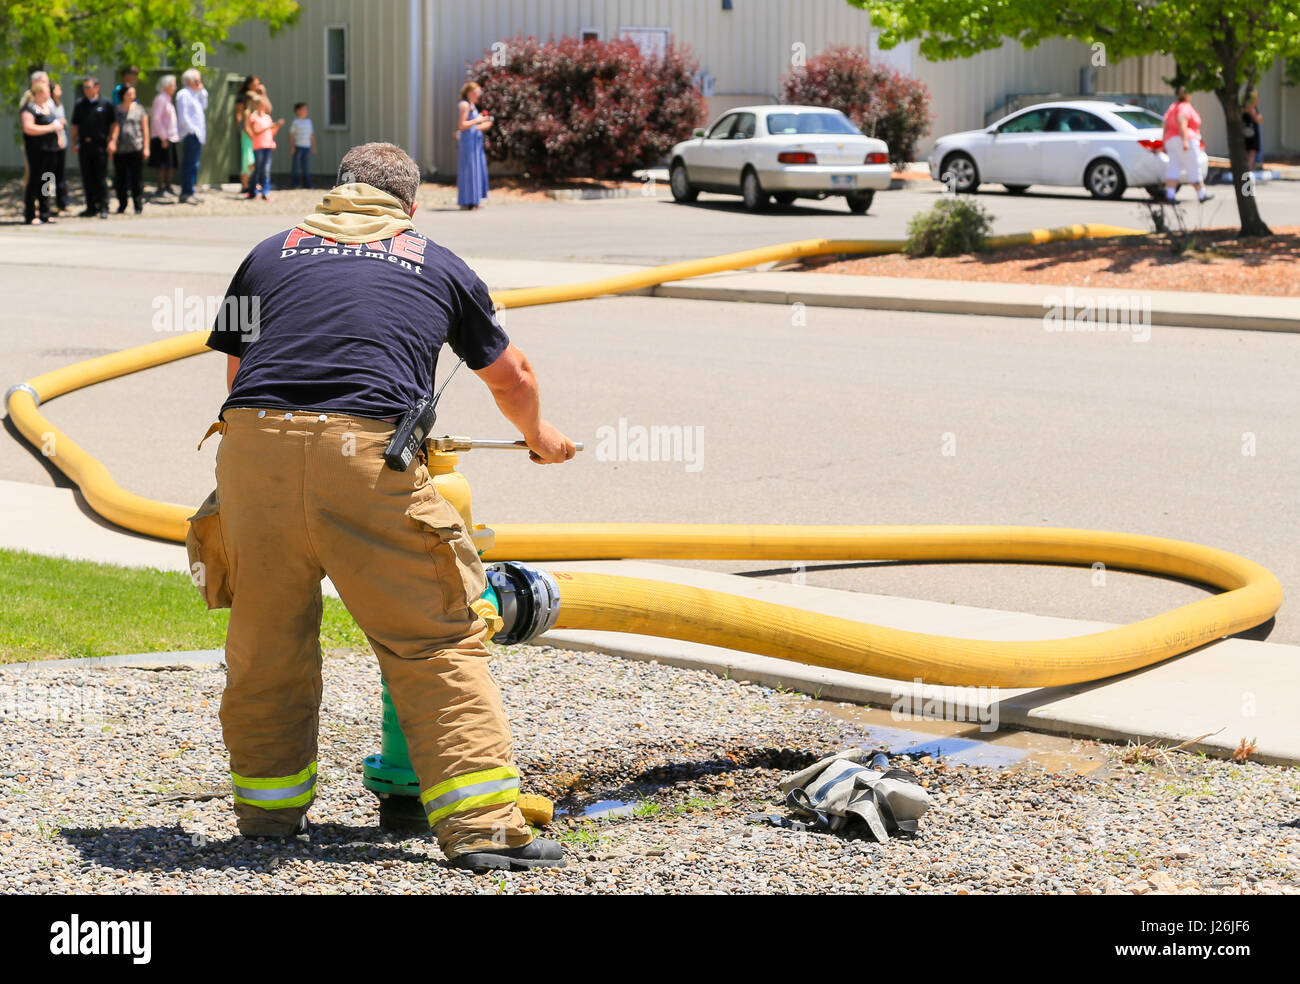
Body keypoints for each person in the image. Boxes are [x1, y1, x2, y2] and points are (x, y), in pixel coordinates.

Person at [189, 141, 575, 870]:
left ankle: (267, 818)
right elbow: (511, 372)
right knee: (434, 636)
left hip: (251, 448)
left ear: (337, 191)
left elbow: (239, 372)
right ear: (411, 205)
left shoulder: (267, 254)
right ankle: (483, 828)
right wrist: (540, 435)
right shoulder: (434, 260)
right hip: (364, 456)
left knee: (268, 635)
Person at [19, 79, 64, 225]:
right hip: (37, 150)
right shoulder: (29, 108)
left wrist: (58, 137)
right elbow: (28, 128)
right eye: (46, 92)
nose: (49, 94)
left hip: (51, 150)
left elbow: (55, 125)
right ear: (38, 93)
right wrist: (50, 128)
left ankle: (45, 212)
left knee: (47, 180)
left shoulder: (47, 107)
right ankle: (30, 214)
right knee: (34, 181)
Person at [71, 75, 115, 218]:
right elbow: (75, 125)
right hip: (84, 144)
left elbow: (114, 124)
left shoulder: (106, 103)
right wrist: (73, 141)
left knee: (100, 177)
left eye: (88, 87)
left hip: (100, 145)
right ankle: (91, 207)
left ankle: (104, 207)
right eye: (84, 87)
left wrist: (112, 140)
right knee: (87, 177)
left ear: (97, 87)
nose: (86, 90)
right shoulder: (80, 104)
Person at [1163, 87, 1212, 203]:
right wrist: (1184, 140)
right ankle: (1202, 194)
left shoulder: (1172, 107)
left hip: (1170, 140)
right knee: (1193, 167)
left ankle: (1170, 195)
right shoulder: (1185, 107)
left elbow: (1165, 123)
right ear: (1188, 95)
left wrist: (1164, 141)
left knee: (1173, 168)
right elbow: (1182, 121)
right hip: (1186, 139)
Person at [109, 83, 150, 214]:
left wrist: (146, 147)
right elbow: (112, 128)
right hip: (120, 150)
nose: (131, 96)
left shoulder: (140, 109)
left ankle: (138, 204)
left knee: (137, 178)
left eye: (133, 94)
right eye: (129, 94)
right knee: (120, 179)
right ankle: (122, 204)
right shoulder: (116, 110)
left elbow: (145, 130)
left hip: (135, 148)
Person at [456, 81, 491, 209]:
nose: (478, 95)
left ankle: (474, 200)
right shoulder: (464, 105)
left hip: (474, 141)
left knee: (475, 169)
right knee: (469, 170)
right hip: (468, 142)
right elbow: (462, 125)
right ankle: (467, 201)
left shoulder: (472, 105)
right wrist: (478, 120)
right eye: (476, 92)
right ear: (469, 92)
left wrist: (483, 125)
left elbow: (473, 127)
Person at [175, 69, 208, 205]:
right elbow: (183, 116)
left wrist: (201, 90)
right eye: (197, 80)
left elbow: (204, 105)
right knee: (189, 164)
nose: (199, 83)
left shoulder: (195, 94)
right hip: (190, 134)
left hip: (197, 135)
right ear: (189, 81)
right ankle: (186, 192)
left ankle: (191, 191)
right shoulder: (184, 94)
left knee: (194, 164)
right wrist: (192, 131)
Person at [244, 94, 282, 201]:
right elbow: (255, 132)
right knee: (258, 169)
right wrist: (268, 127)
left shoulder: (267, 117)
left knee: (266, 170)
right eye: (261, 104)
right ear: (257, 105)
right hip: (258, 146)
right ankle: (252, 191)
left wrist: (277, 127)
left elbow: (271, 132)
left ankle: (265, 192)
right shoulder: (253, 117)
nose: (263, 106)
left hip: (268, 146)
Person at [150, 74, 179, 199]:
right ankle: (161, 188)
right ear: (165, 86)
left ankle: (168, 186)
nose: (175, 87)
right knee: (162, 165)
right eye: (172, 85)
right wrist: (163, 137)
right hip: (163, 138)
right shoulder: (160, 99)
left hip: (171, 137)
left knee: (170, 164)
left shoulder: (168, 99)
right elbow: (156, 119)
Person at [50, 82, 69, 214]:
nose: (60, 90)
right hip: (51, 145)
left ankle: (62, 203)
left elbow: (62, 121)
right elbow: (54, 123)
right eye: (58, 88)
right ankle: (46, 203)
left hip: (62, 144)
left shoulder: (59, 104)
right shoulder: (48, 104)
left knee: (60, 175)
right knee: (48, 175)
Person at [289, 102, 315, 188]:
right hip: (298, 147)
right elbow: (292, 135)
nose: (306, 111)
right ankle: (295, 184)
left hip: (307, 147)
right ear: (298, 111)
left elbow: (311, 134)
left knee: (306, 167)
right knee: (296, 167)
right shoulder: (296, 122)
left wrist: (313, 146)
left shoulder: (309, 122)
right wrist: (292, 147)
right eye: (304, 109)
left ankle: (307, 184)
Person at [1242, 90, 1263, 173]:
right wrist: (1250, 110)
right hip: (1249, 135)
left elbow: (1260, 121)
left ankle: (1249, 170)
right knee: (1250, 153)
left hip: (1252, 134)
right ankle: (1247, 171)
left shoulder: (1254, 109)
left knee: (1252, 153)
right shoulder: (1247, 109)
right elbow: (1258, 120)